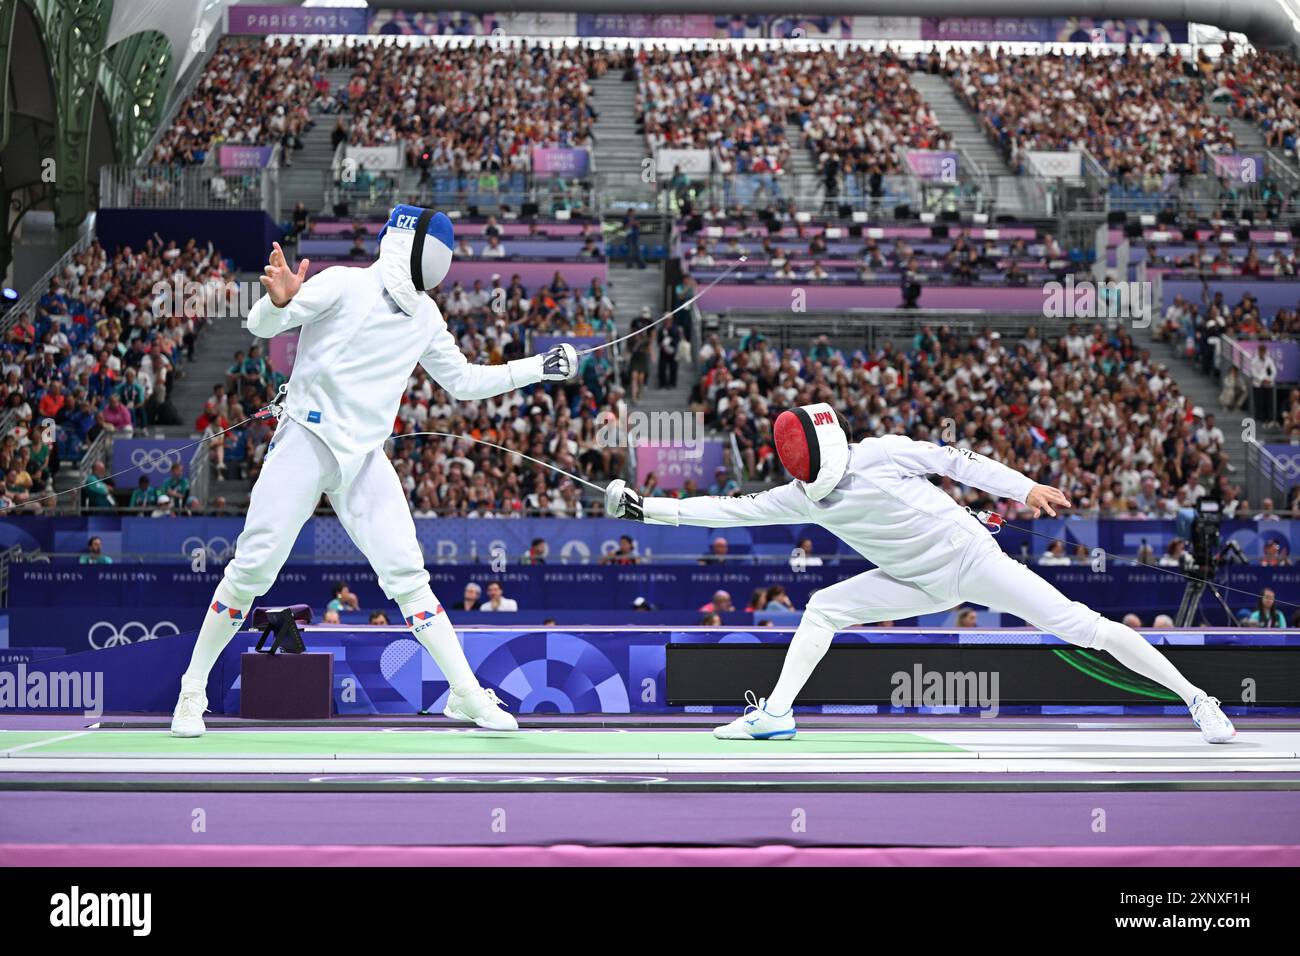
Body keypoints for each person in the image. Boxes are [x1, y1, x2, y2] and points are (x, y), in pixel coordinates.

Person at [170, 205, 578, 737]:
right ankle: (192, 690)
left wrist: (536, 368)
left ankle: (465, 694)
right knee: (253, 569)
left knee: (409, 577)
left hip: (363, 457)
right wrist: (277, 301)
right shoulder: (344, 284)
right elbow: (260, 325)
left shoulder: (426, 316)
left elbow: (464, 382)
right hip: (306, 441)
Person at [606, 402, 1236, 744]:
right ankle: (776, 713)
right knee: (825, 606)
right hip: (913, 580)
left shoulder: (880, 453)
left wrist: (1025, 487)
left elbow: (956, 460)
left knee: (1082, 625)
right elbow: (723, 508)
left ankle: (1198, 699)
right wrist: (646, 507)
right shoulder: (800, 495)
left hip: (974, 561)